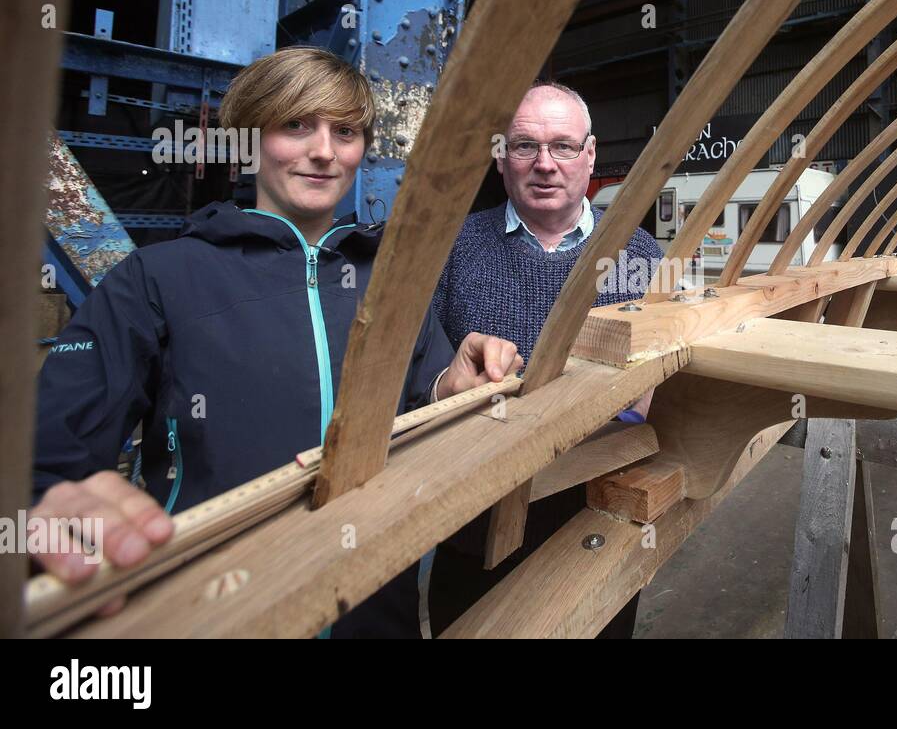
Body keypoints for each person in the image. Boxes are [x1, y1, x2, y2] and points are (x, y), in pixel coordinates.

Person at [30, 46, 522, 637]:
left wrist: (454, 384)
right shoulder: (159, 277)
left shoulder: (390, 281)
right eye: (295, 125)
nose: (323, 151)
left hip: (376, 610)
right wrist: (50, 497)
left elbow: (421, 397)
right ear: (249, 138)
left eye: (345, 131)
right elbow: (49, 446)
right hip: (214, 616)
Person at [426, 81, 662, 637]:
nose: (545, 164)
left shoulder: (640, 252)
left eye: (563, 146)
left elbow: (674, 378)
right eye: (525, 146)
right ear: (502, 157)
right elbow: (418, 378)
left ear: (590, 155)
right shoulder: (453, 249)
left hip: (598, 518)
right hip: (474, 524)